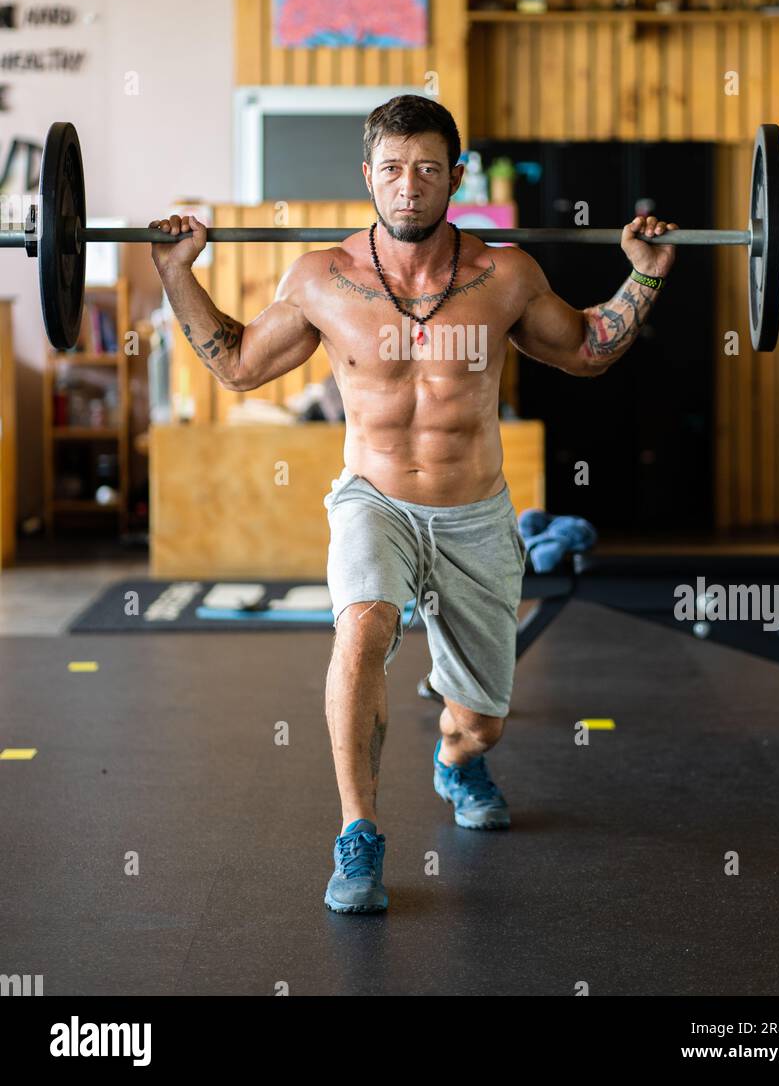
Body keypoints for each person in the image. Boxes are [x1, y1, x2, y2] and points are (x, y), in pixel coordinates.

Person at [149, 94, 677, 914]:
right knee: (363, 626)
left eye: (428, 169)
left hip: (474, 514)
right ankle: (358, 835)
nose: (408, 186)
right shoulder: (321, 279)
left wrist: (642, 276)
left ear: (455, 178)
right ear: (368, 176)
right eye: (392, 169)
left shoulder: (504, 277)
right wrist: (177, 274)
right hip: (374, 499)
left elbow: (585, 351)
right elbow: (240, 366)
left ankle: (457, 759)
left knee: (481, 722)